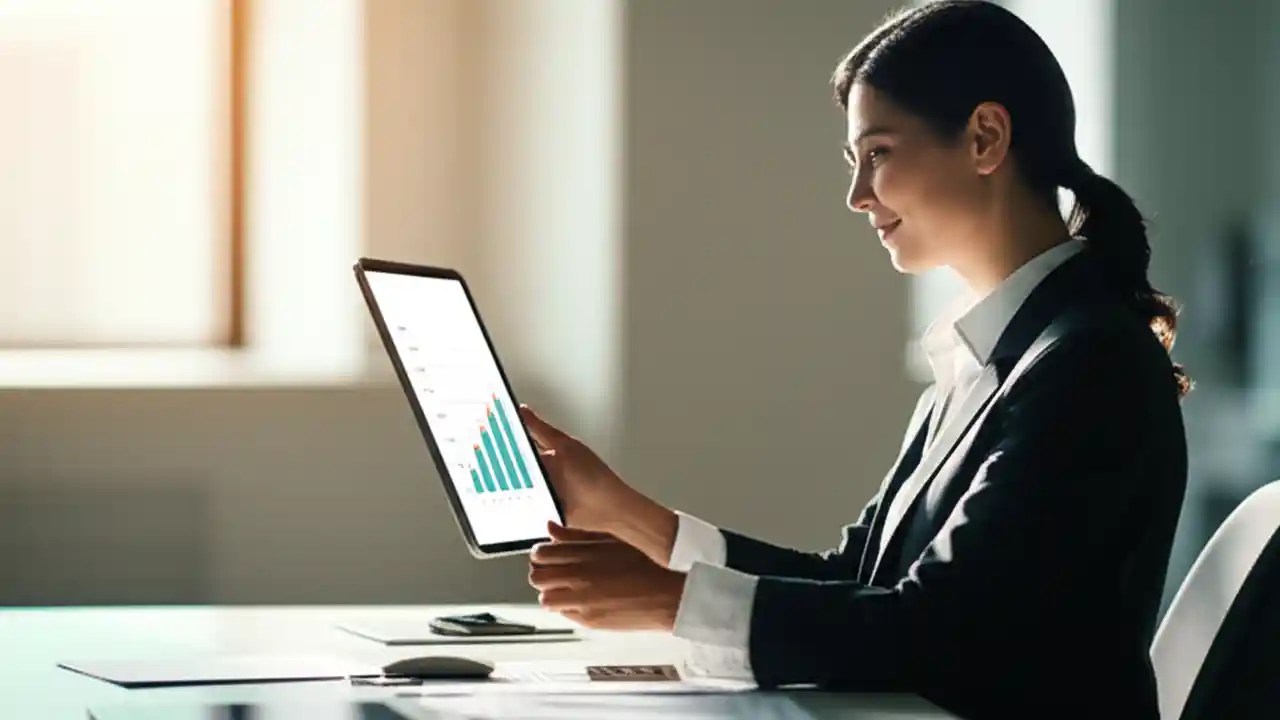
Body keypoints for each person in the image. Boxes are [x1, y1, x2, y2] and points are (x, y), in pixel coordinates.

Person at [521, 2, 1190, 717]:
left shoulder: (1089, 362)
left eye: (878, 153)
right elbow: (858, 580)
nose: (856, 195)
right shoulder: (985, 362)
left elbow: (941, 630)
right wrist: (631, 518)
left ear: (985, 138)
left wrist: (671, 602)